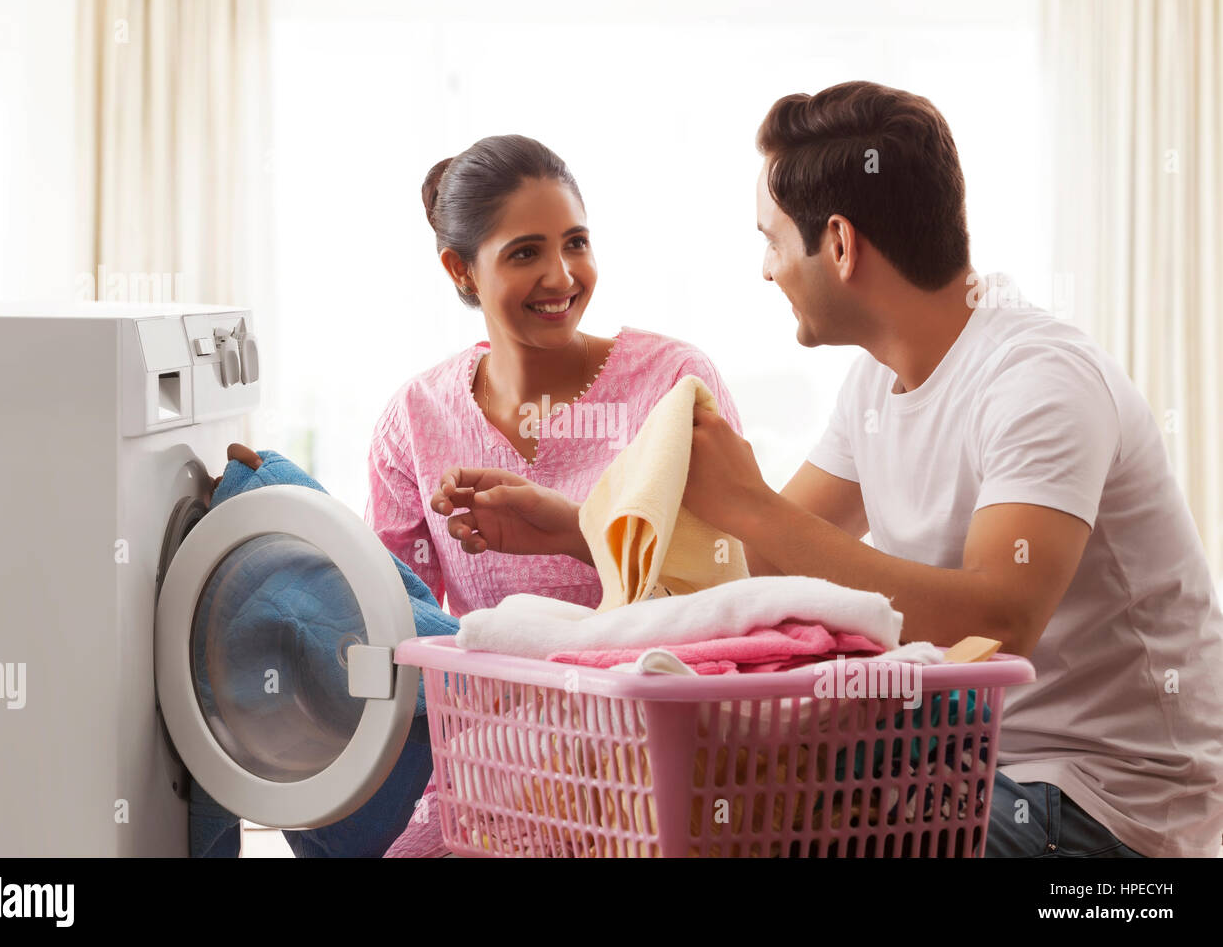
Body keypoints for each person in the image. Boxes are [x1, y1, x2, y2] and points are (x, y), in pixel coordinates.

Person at [432, 82, 1223, 858]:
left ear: (839, 245)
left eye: (771, 241)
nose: (767, 270)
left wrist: (753, 505)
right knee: (700, 801)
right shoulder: (878, 382)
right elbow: (761, 570)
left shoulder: (1038, 380)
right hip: (966, 762)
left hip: (1102, 805)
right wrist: (580, 532)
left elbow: (1000, 620)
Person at [367, 134, 743, 855]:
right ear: (461, 269)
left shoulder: (671, 385)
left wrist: (579, 530)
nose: (562, 276)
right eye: (524, 253)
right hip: (494, 774)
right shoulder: (415, 418)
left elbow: (727, 577)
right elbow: (395, 620)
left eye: (576, 243)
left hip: (659, 768)